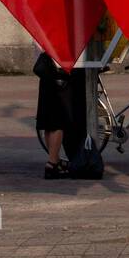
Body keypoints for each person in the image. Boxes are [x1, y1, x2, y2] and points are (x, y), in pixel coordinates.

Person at [33, 50, 86, 179]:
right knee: (58, 120)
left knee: (48, 121)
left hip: (46, 69)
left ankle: (54, 159)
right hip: (60, 71)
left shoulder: (41, 32)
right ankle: (52, 163)